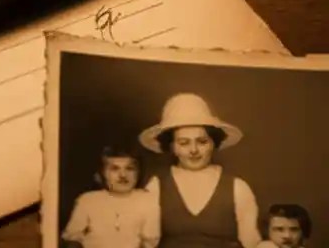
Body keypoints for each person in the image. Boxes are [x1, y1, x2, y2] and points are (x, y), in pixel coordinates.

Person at [140, 93, 262, 248]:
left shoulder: (238, 188)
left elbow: (252, 244)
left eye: (202, 142)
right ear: (171, 147)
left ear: (214, 143)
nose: (193, 150)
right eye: (184, 143)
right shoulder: (156, 186)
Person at [61, 146, 160, 248]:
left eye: (130, 168)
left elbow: (150, 242)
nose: (123, 175)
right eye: (114, 169)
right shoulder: (87, 201)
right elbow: (72, 238)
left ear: (138, 173)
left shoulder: (147, 201)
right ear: (101, 174)